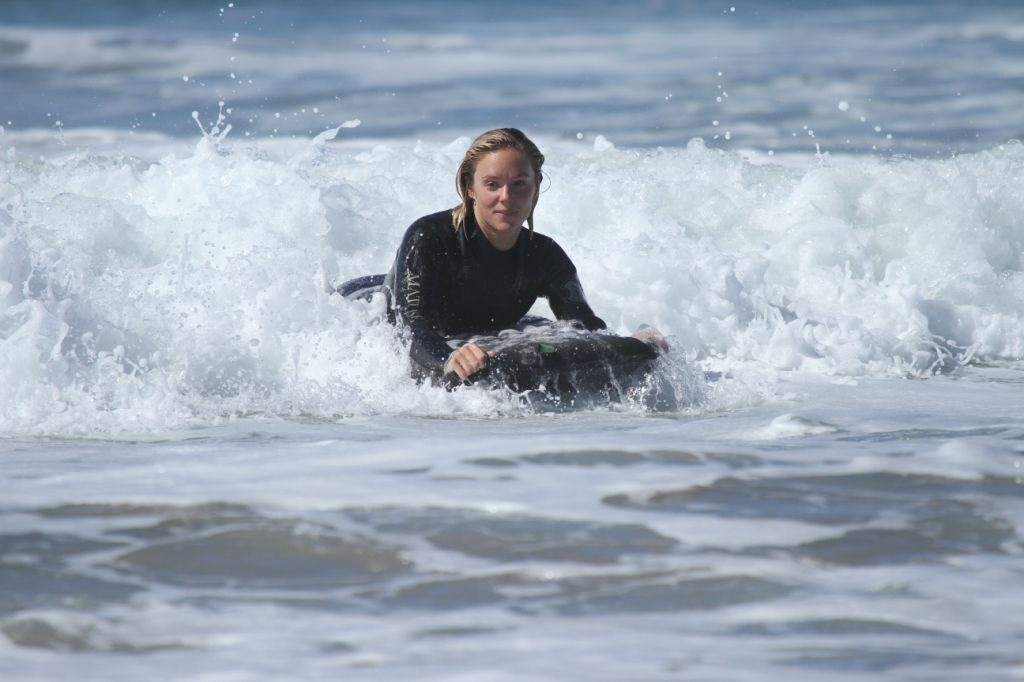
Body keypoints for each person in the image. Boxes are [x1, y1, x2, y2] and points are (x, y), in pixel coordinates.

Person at [380, 127, 663, 383]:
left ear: (535, 187)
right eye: (492, 184)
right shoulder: (428, 238)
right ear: (470, 188)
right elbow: (410, 326)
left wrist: (634, 344)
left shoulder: (546, 256)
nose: (506, 197)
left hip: (477, 330)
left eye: (519, 184)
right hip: (375, 304)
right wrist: (448, 359)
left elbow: (583, 327)